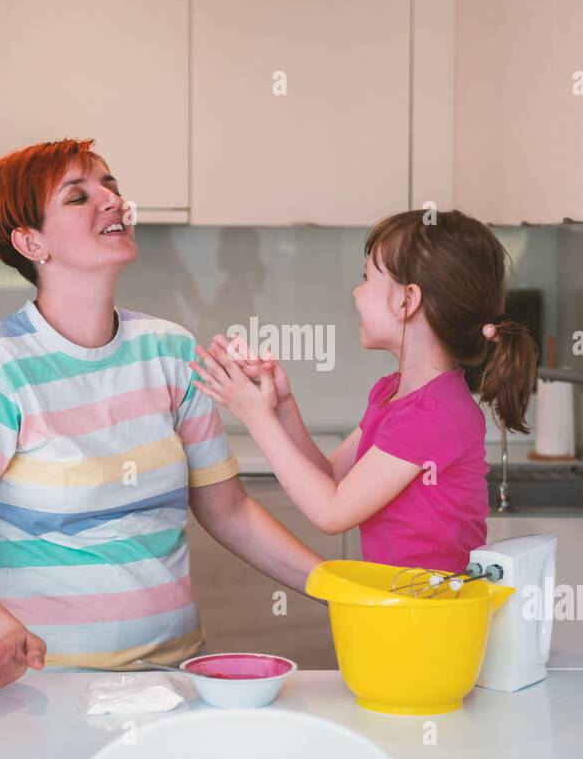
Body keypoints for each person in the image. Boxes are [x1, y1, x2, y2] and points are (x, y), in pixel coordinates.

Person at [0, 138, 325, 713]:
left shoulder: (170, 352)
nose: (112, 201)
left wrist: (340, 588)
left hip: (177, 681)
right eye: (79, 196)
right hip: (50, 689)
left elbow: (227, 511)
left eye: (112, 187)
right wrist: (0, 634)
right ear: (31, 243)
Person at [192, 208, 538, 575]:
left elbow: (331, 512)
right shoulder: (395, 394)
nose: (357, 292)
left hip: (430, 619)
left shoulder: (432, 414)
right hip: (403, 610)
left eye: (367, 278)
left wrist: (255, 416)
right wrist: (282, 407)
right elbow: (332, 477)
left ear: (407, 300)